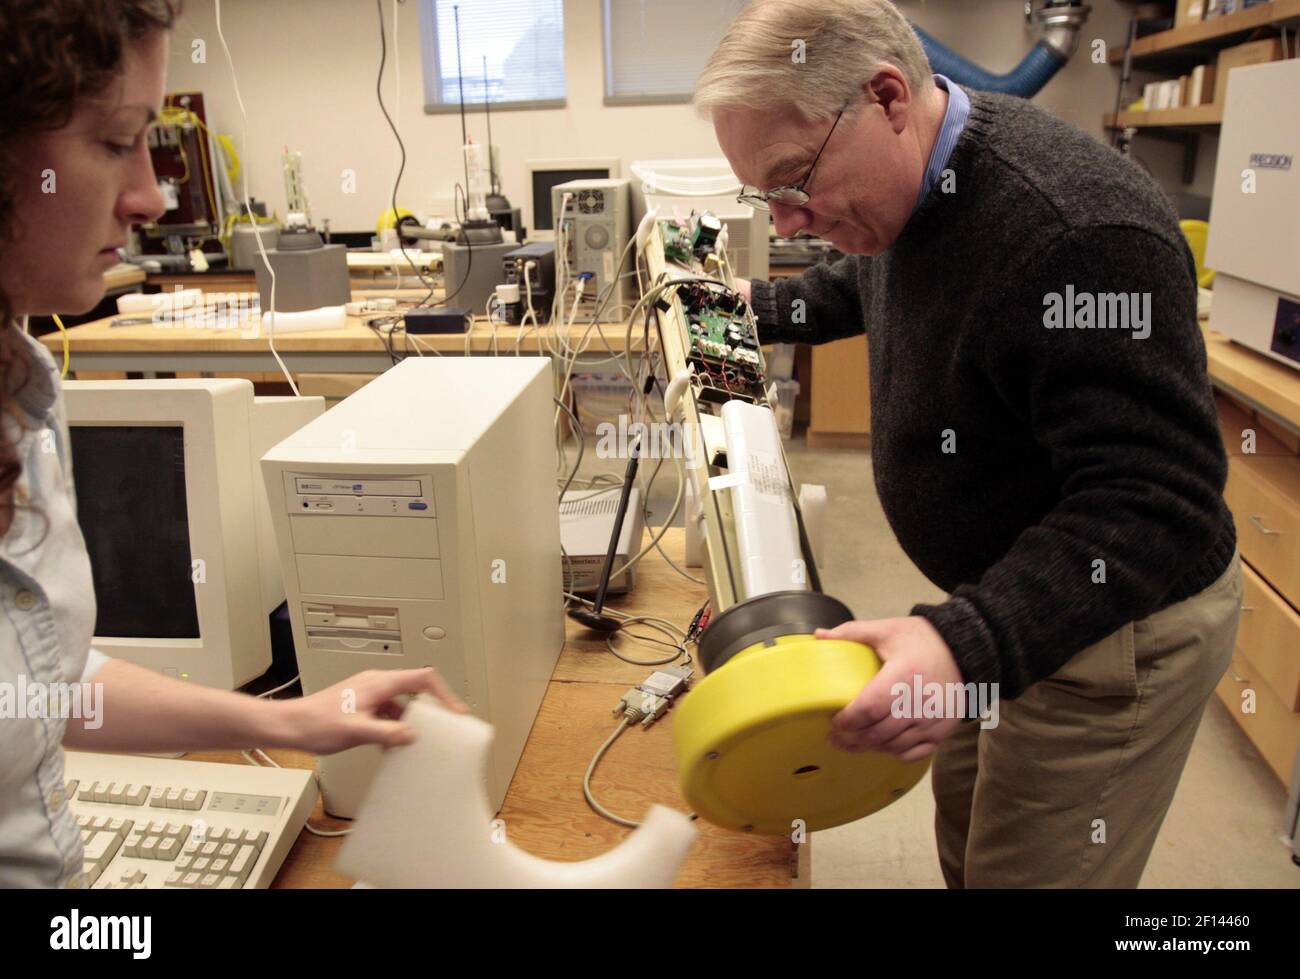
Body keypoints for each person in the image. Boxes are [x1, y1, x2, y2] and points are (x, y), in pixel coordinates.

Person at [695, 0, 1241, 887]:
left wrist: (967, 642)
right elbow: (866, 278)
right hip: (1000, 591)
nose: (788, 221)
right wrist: (750, 310)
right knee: (970, 834)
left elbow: (1156, 504)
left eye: (795, 180)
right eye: (767, 196)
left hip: (1115, 623)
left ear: (886, 97)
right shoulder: (910, 184)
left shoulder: (1079, 234)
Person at [0, 0, 467, 889]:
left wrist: (295, 722)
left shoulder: (22, 387)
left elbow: (40, 683)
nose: (151, 195)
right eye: (114, 141)